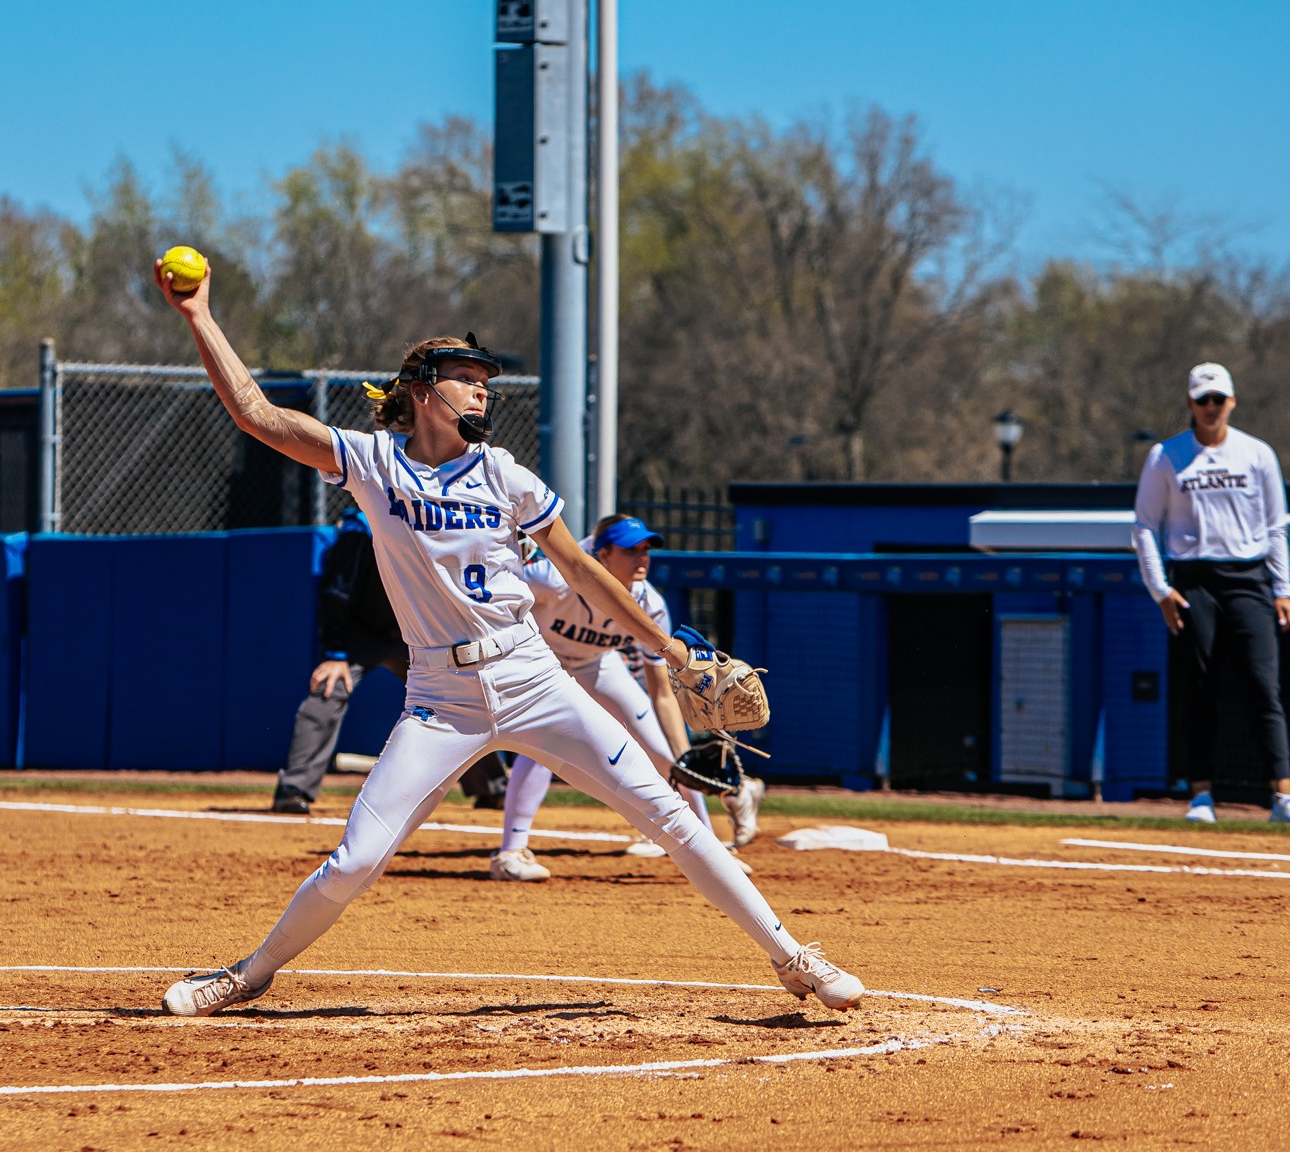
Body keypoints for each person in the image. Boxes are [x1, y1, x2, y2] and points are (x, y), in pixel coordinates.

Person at [151, 257, 862, 1017]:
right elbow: (255, 413)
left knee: (672, 817)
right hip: (440, 697)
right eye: (466, 377)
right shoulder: (370, 462)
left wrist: (675, 650)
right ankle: (249, 974)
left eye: (486, 379)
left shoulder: (504, 474)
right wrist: (199, 316)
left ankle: (794, 958)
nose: (483, 388)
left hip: (533, 677)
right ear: (422, 390)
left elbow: (585, 573)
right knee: (356, 859)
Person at [489, 514, 765, 883]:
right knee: (542, 744)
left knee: (667, 757)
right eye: (631, 550)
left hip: (597, 666)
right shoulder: (550, 579)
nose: (643, 558)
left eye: (647, 549)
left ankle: (710, 850)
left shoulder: (650, 603)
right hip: (542, 666)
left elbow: (662, 692)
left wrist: (682, 755)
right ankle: (510, 853)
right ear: (602, 554)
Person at [1132, 362, 1290, 825]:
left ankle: (1284, 798)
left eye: (1218, 399)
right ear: (1190, 404)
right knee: (1200, 687)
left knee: (1262, 685)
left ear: (1232, 401)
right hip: (1194, 579)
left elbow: (1276, 526)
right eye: (1202, 400)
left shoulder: (1257, 454)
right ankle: (1200, 796)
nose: (1211, 408)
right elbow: (1145, 527)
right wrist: (1161, 590)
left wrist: (1283, 588)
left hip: (1249, 578)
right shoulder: (1166, 456)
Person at [270, 505, 408, 815]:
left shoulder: (437, 516)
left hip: (414, 635)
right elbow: (336, 588)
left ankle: (493, 789)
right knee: (329, 689)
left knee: (457, 695)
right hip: (360, 636)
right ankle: (294, 789)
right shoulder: (363, 525)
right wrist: (335, 652)